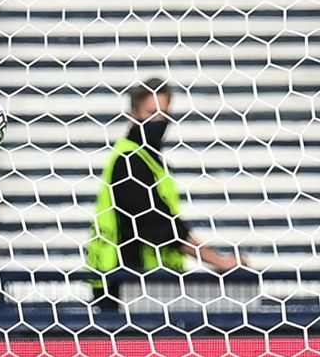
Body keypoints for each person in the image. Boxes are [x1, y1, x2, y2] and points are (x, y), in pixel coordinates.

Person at [87, 77, 247, 301]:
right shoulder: (129, 160)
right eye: (151, 113)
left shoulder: (150, 159)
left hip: (146, 283)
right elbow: (157, 223)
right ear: (133, 114)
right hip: (125, 283)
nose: (159, 121)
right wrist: (218, 260)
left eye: (164, 113)